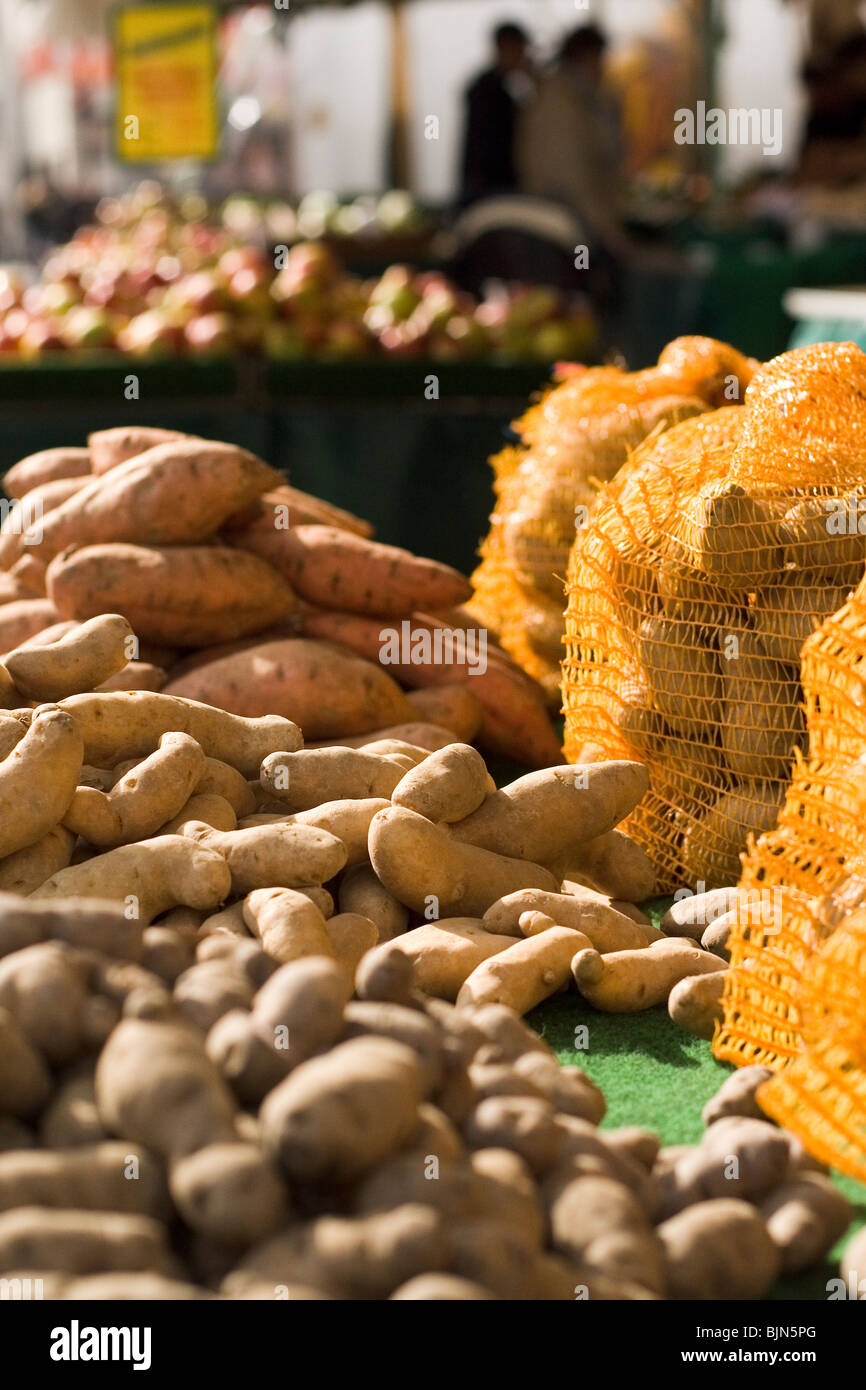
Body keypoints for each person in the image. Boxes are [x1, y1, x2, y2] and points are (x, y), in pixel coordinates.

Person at [517, 24, 629, 257]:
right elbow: (569, 175)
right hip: (565, 227)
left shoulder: (582, 98)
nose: (602, 68)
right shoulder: (560, 103)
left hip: (571, 222)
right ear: (587, 57)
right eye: (600, 59)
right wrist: (606, 228)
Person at [459, 22, 532, 207]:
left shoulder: (494, 86)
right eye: (518, 49)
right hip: (492, 185)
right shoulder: (488, 90)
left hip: (488, 184)